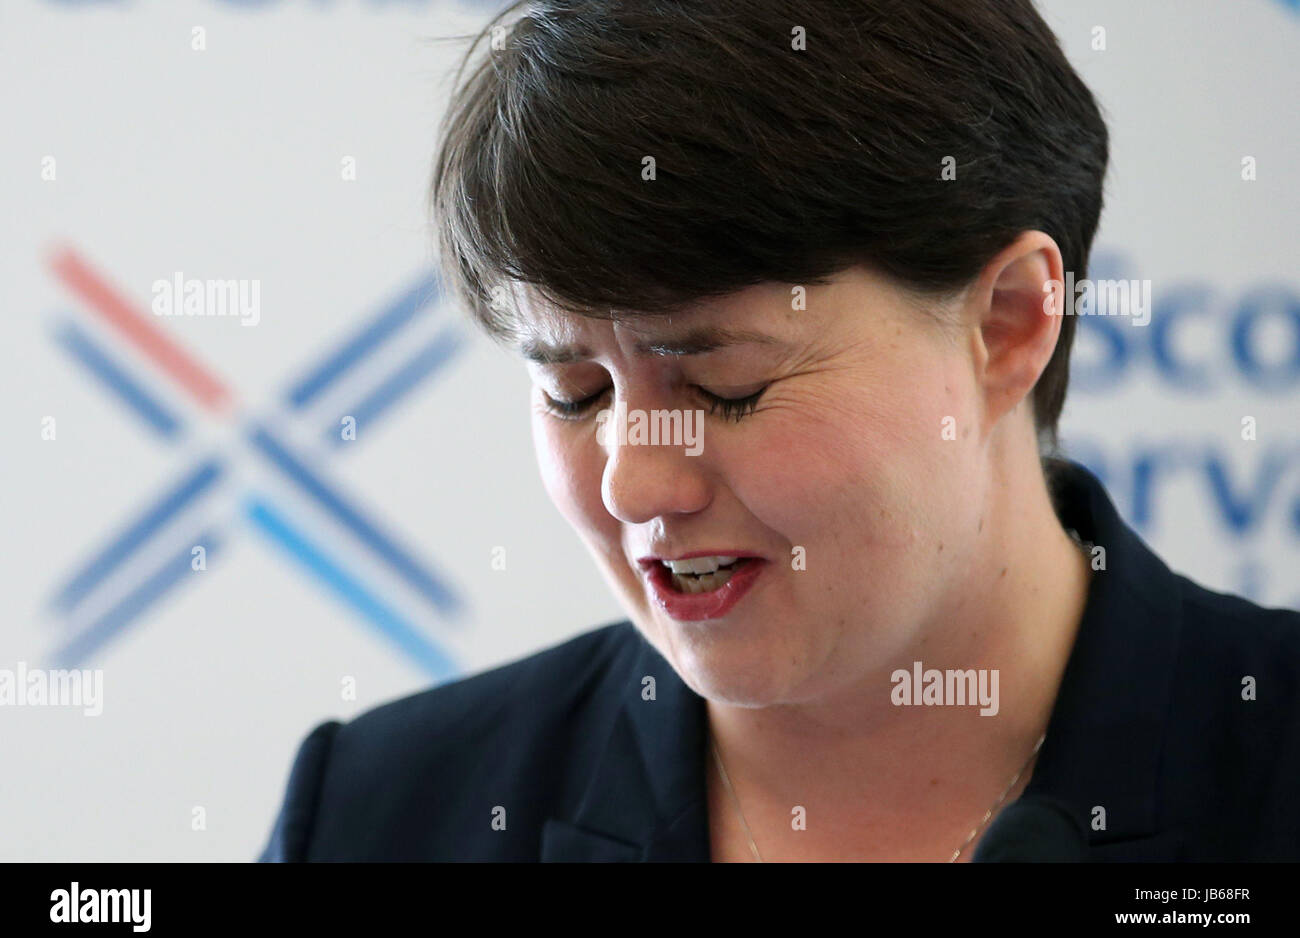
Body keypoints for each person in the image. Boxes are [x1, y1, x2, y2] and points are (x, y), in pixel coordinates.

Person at [258, 0, 1300, 862]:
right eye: (574, 392)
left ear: (1009, 322)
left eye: (726, 385)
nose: (632, 486)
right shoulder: (380, 816)